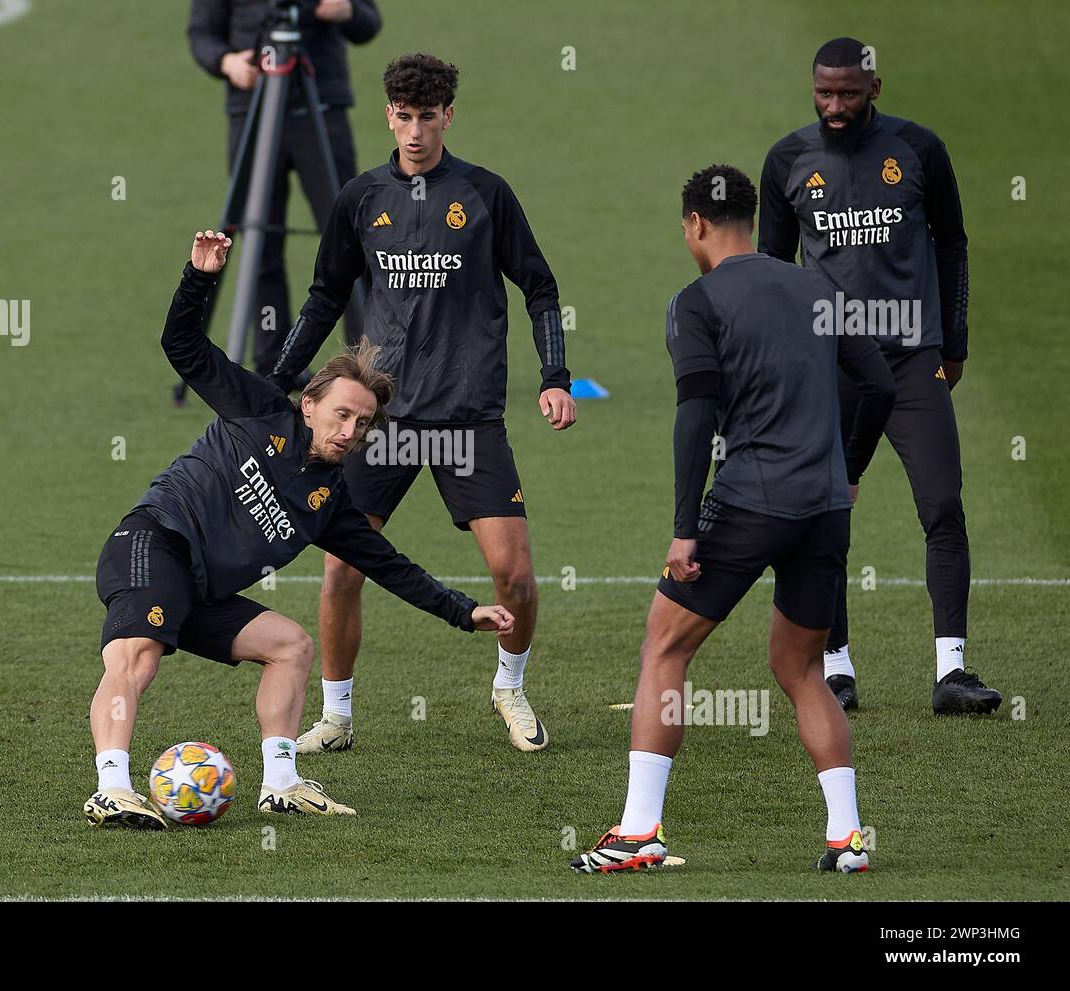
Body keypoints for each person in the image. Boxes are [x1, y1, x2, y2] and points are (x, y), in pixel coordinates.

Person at [83, 231, 514, 829]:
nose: (350, 431)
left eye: (363, 424)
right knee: (139, 655)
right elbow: (180, 344)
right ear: (309, 402)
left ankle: (280, 781)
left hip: (203, 591)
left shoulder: (328, 503)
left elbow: (389, 566)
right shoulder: (259, 405)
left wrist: (464, 611)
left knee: (290, 645)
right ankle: (112, 787)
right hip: (155, 542)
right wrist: (200, 276)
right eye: (342, 414)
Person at [571, 166, 896, 874]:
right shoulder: (817, 286)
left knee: (665, 648)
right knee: (802, 666)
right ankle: (848, 837)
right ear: (750, 219)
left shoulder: (697, 301)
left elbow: (695, 416)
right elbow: (879, 383)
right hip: (824, 506)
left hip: (749, 499)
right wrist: (850, 469)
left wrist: (685, 524)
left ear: (693, 225)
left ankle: (638, 831)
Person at [270, 53, 576, 756]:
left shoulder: (485, 194)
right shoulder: (361, 198)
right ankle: (338, 716)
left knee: (517, 575)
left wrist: (555, 374)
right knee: (343, 565)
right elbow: (323, 295)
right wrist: (282, 378)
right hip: (379, 420)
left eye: (426, 117)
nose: (414, 131)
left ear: (448, 115)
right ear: (388, 115)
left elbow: (540, 287)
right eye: (402, 116)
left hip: (467, 417)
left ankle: (509, 684)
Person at [758, 36, 1000, 716]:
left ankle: (951, 669)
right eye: (824, 93)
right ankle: (836, 669)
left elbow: (951, 242)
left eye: (849, 94)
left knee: (942, 503)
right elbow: (770, 271)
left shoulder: (920, 150)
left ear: (875, 89)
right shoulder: (787, 159)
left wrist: (954, 342)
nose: (835, 106)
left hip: (912, 357)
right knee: (826, 512)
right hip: (829, 364)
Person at [188, 0, 380, 377]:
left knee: (353, 238)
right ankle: (274, 364)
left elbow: (368, 22)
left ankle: (370, 362)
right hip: (253, 111)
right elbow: (202, 34)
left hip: (323, 111)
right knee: (260, 245)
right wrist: (227, 63)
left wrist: (347, 12)